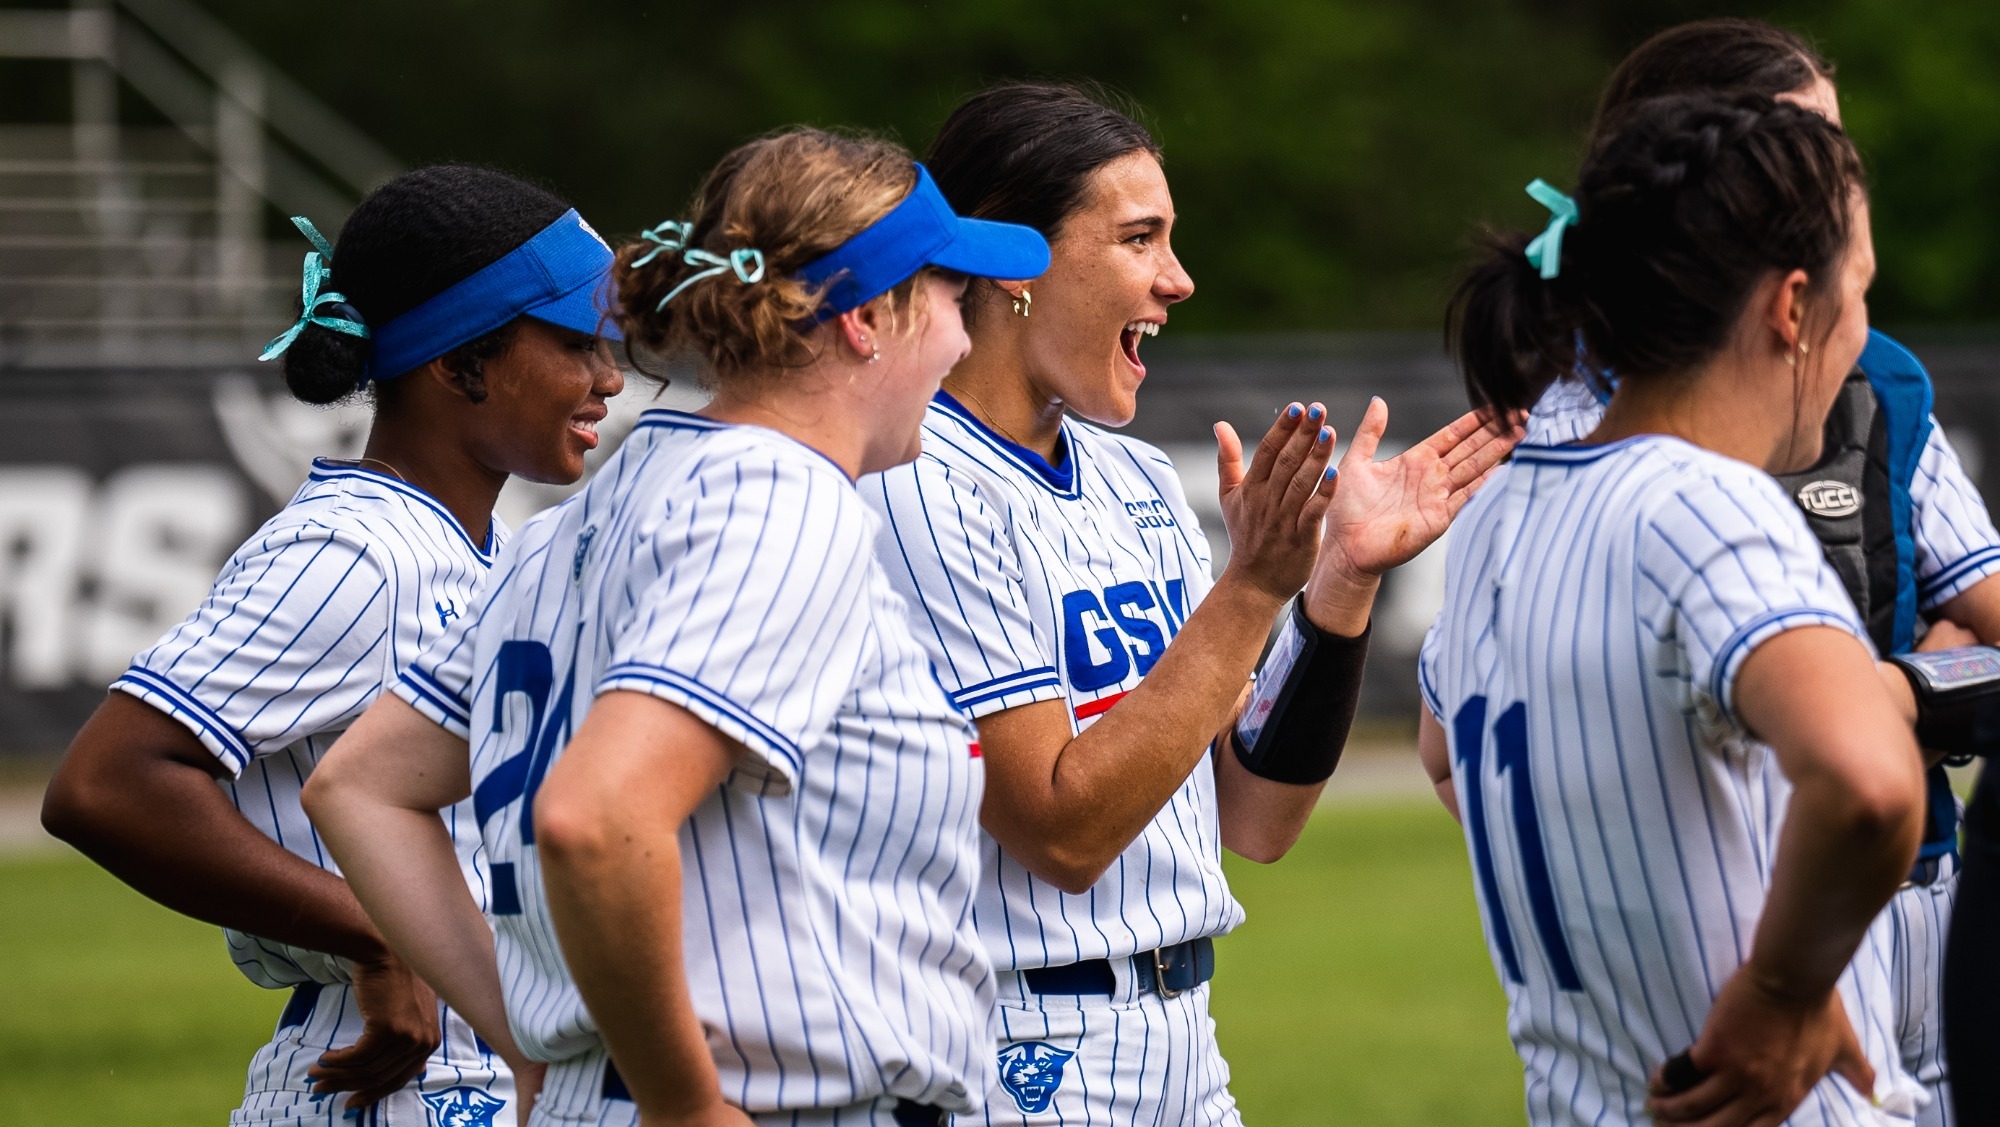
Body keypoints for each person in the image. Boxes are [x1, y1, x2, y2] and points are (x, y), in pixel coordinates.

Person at [302, 127, 1053, 1127]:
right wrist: (683, 1100)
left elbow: (360, 785)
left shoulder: (583, 518)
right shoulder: (781, 498)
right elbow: (596, 815)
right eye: (954, 294)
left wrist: (528, 1040)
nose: (965, 336)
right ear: (870, 315)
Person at [862, 81, 1519, 1125]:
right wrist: (1252, 585)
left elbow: (1254, 817)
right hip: (1017, 1053)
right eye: (1138, 238)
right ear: (1009, 259)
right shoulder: (912, 483)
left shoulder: (1131, 479)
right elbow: (1062, 831)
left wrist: (1336, 581)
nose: (1177, 278)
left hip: (1182, 1041)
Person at [1445, 21, 2000, 1125]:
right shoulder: (1701, 501)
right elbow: (1870, 779)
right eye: (1854, 294)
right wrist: (1782, 987)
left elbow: (1439, 754)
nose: (1862, 337)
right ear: (1789, 307)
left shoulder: (1500, 502)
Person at [40, 165, 625, 1124]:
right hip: (389, 1078)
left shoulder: (497, 550)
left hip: (492, 1071)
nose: (606, 376)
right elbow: (107, 783)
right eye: (571, 342)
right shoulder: (353, 551)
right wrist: (379, 935)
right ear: (456, 361)